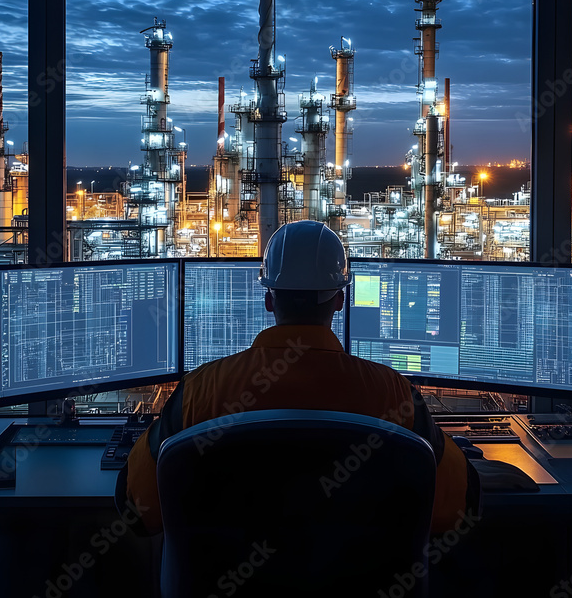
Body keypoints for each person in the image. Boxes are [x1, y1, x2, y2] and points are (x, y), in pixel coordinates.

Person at [126, 220, 480, 536]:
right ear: (340, 300)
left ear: (268, 299)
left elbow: (138, 509)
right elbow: (454, 512)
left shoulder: (201, 392)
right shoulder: (393, 394)